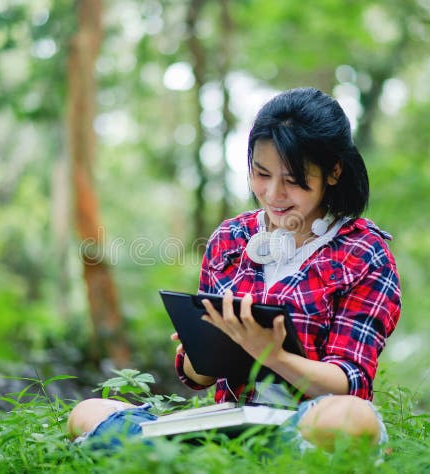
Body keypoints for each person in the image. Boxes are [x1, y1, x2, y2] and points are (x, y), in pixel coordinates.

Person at [68, 87, 401, 451]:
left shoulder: (365, 253)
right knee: (87, 411)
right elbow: (198, 377)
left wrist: (274, 356)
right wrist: (202, 348)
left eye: (292, 180)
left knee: (353, 420)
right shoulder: (230, 239)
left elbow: (349, 382)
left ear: (333, 172)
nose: (273, 193)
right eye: (261, 174)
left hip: (309, 419)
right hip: (231, 418)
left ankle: (170, 453)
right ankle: (225, 450)